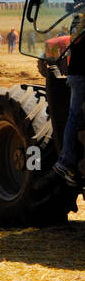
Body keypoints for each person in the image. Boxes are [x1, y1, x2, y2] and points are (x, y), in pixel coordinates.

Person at [52, 26, 85, 187]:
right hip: (80, 76)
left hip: (78, 75)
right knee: (75, 117)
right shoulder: (81, 22)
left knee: (76, 117)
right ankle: (66, 162)